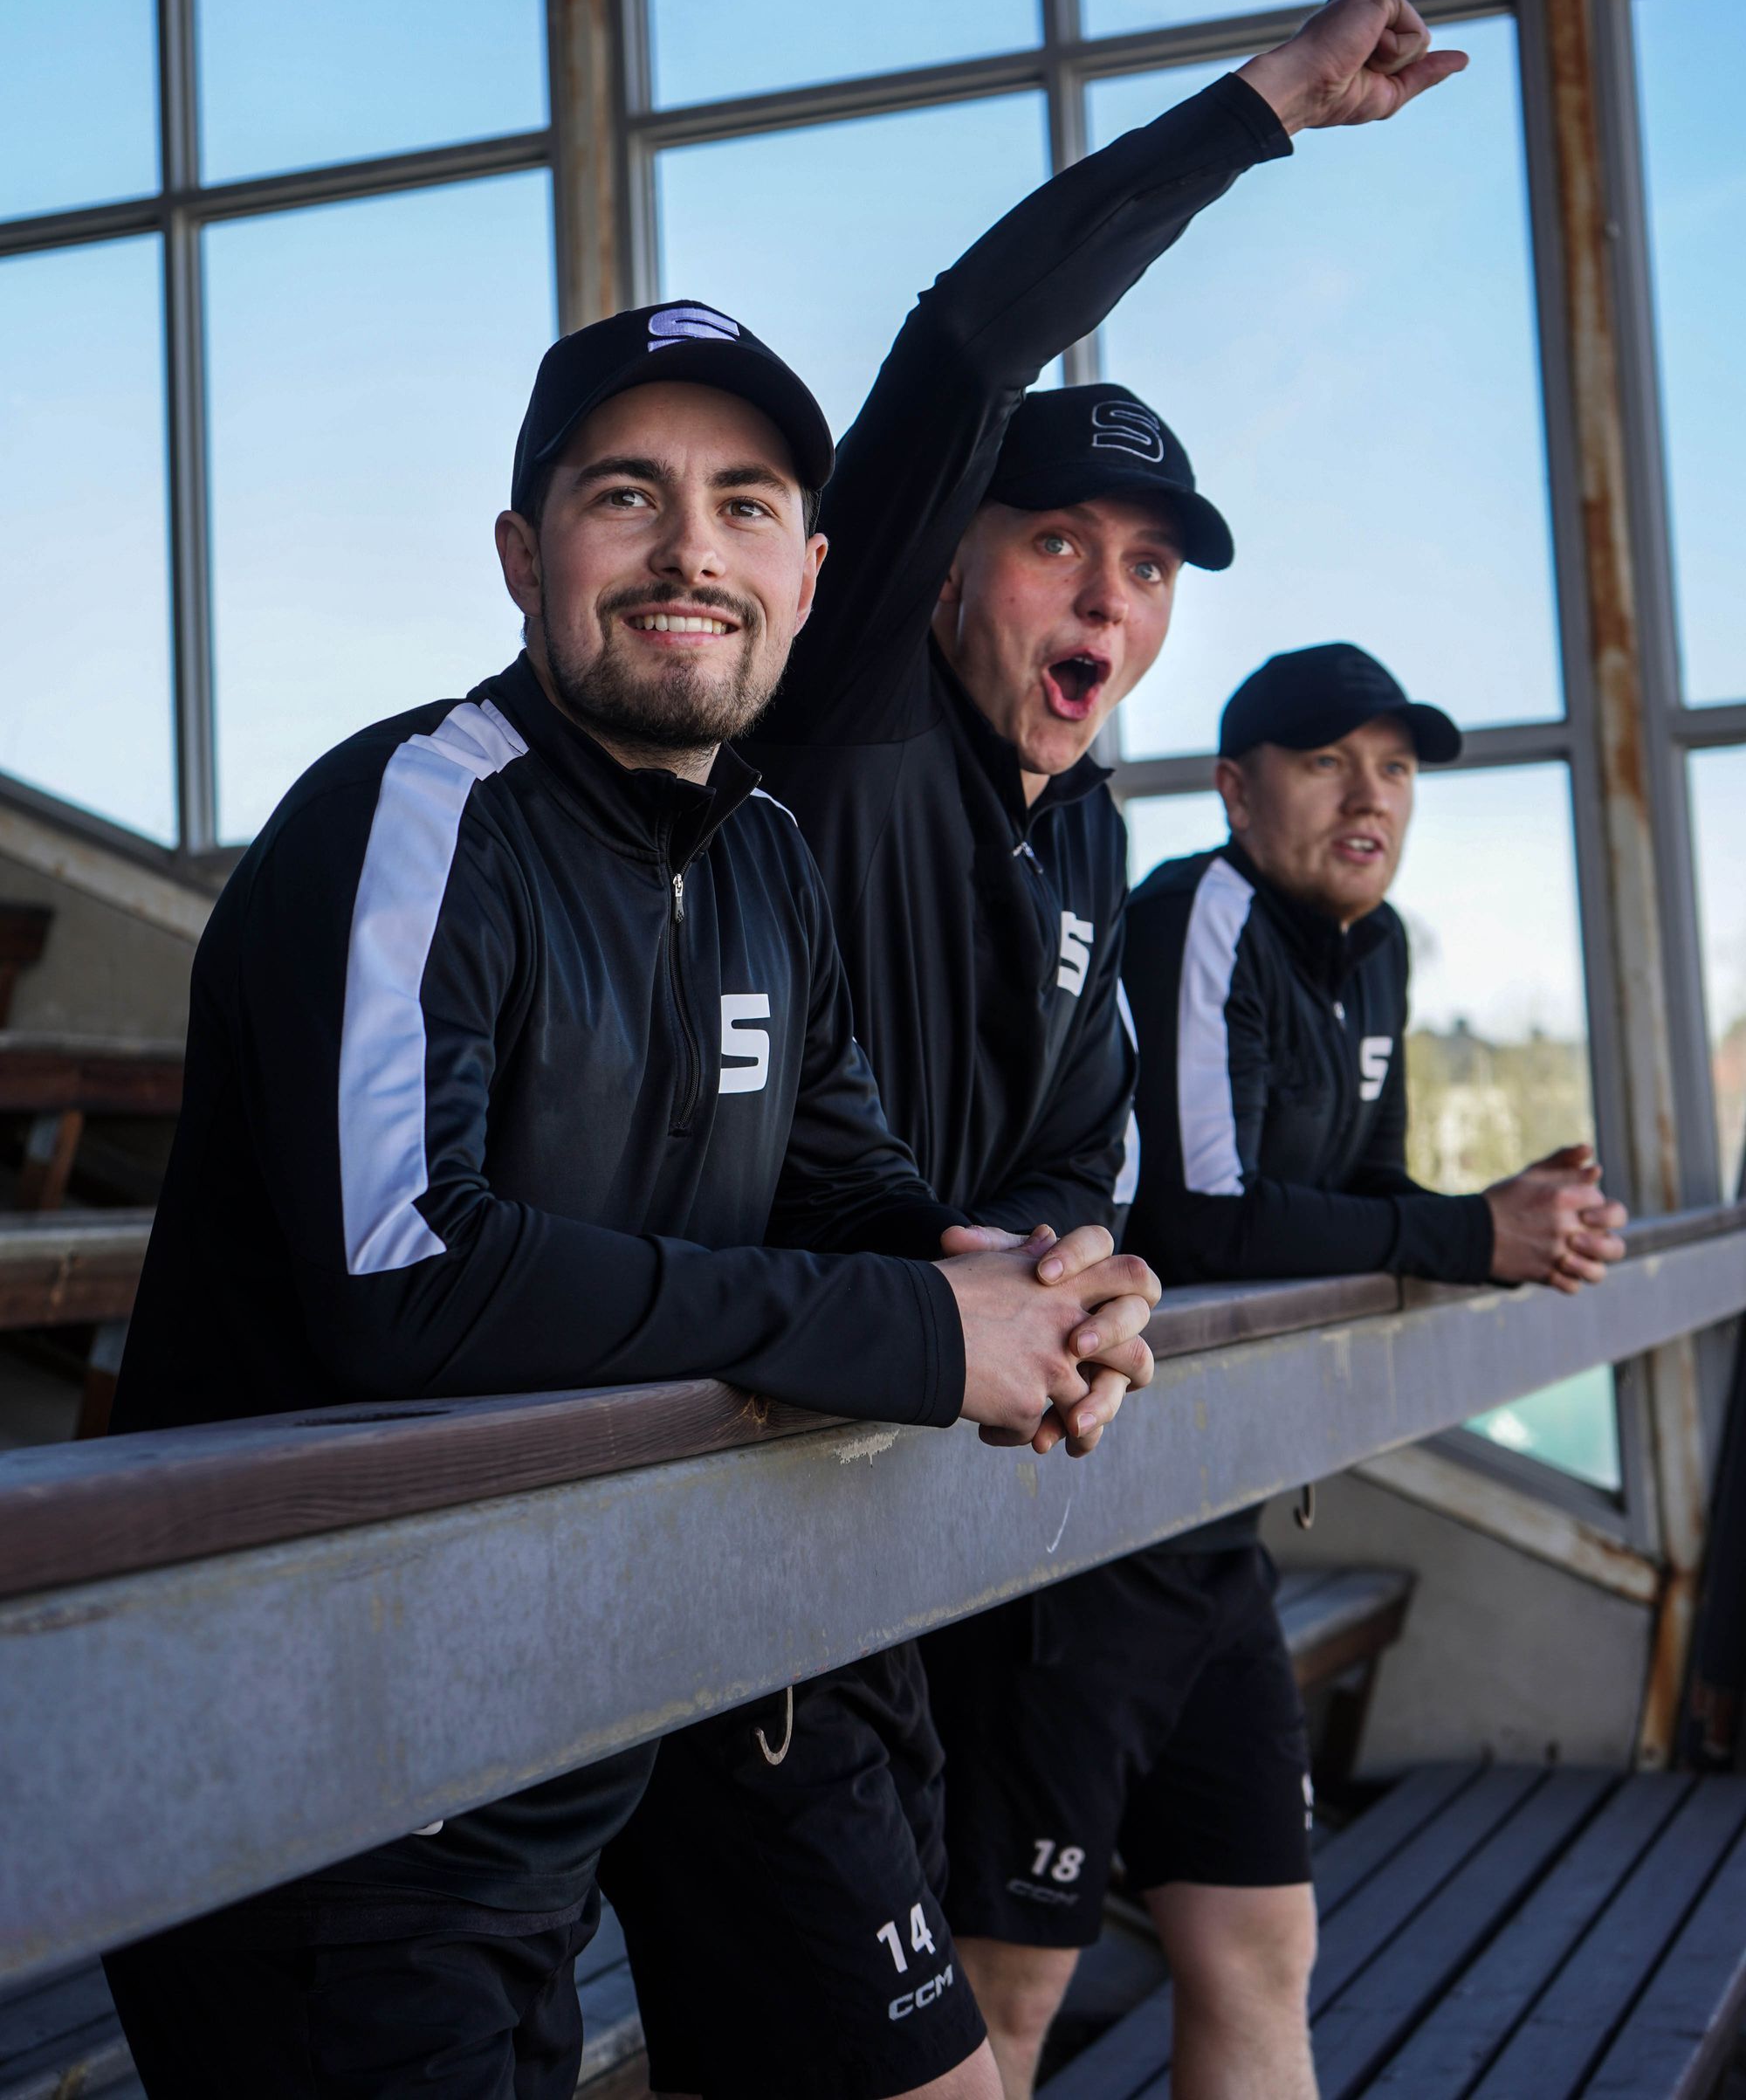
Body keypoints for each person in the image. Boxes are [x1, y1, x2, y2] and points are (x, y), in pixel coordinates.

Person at [100, 305, 1162, 2100]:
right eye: (627, 496)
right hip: (307, 1783)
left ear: (812, 576)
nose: (692, 554)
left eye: (746, 507)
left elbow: (846, 1186)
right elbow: (403, 1277)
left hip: (552, 1752)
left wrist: (1016, 1282)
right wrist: (920, 1335)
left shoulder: (762, 854)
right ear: (523, 555)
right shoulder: (412, 813)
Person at [599, 0, 1473, 2100]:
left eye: (1150, 566)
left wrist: (1086, 1267)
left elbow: (1081, 1154)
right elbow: (964, 349)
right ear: (934, 568)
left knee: (1245, 1955)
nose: (1110, 596)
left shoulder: (1080, 829)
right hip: (745, 1547)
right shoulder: (843, 721)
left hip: (918, 1531)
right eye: (1060, 542)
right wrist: (1257, 114)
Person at [935, 640, 1630, 2100]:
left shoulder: (1375, 951)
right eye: (1327, 762)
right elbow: (1202, 1214)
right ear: (1241, 792)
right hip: (1081, 1533)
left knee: (1262, 1949)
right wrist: (1467, 1231)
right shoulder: (1204, 910)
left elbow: (1362, 1193)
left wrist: (1489, 1212)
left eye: (1395, 767)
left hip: (1216, 1533)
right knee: (1007, 1993)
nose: (1370, 796)